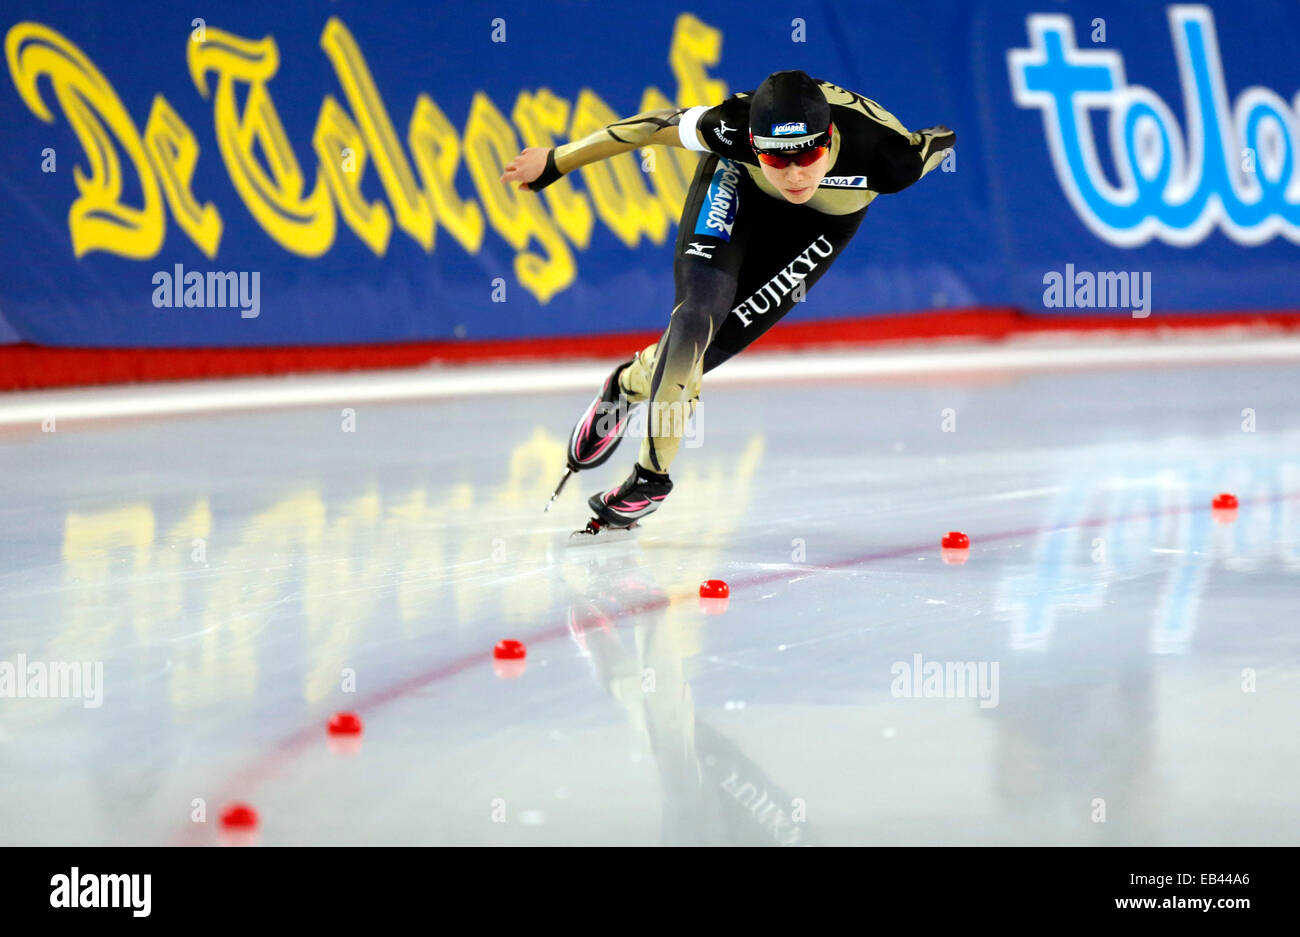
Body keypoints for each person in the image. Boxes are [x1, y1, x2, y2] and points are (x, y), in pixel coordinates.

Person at [501, 70, 954, 530]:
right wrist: (556, 160)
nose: (794, 175)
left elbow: (942, 139)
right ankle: (650, 480)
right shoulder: (731, 127)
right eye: (776, 160)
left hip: (824, 225)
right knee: (694, 322)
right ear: (754, 143)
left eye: (808, 155)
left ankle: (625, 387)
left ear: (831, 137)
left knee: (698, 360)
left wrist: (943, 137)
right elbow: (650, 127)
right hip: (737, 185)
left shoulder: (889, 157)